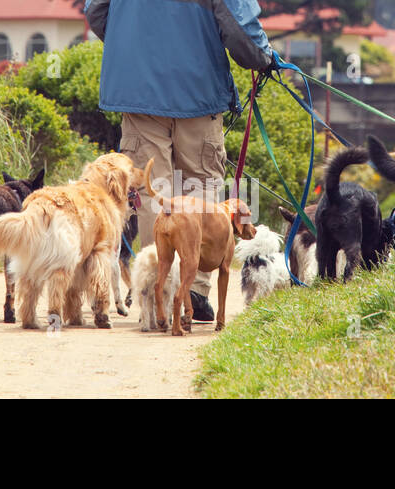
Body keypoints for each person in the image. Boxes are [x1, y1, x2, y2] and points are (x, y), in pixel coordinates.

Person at [85, 0, 277, 320]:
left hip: (138, 90)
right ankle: (194, 290)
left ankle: (155, 286)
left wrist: (135, 45)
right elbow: (240, 28)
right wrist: (264, 58)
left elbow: (96, 13)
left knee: (153, 191)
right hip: (199, 91)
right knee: (199, 186)